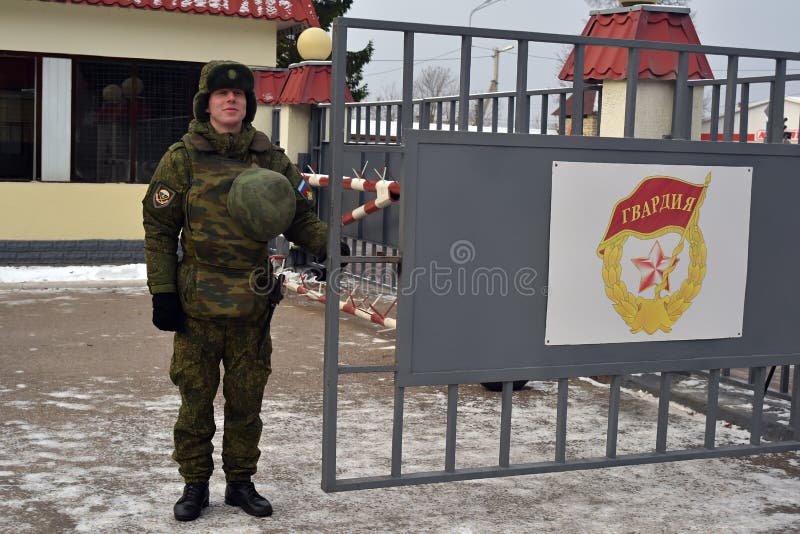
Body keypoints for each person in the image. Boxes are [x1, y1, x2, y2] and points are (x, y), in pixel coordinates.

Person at [142, 60, 329, 522]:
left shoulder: (269, 157)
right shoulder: (182, 158)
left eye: (240, 94)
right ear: (205, 103)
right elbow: (159, 229)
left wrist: (329, 243)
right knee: (195, 401)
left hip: (252, 304)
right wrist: (162, 291)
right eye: (222, 94)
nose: (232, 100)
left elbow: (297, 215)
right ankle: (195, 485)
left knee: (247, 400)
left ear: (248, 104)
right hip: (196, 306)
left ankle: (241, 483)